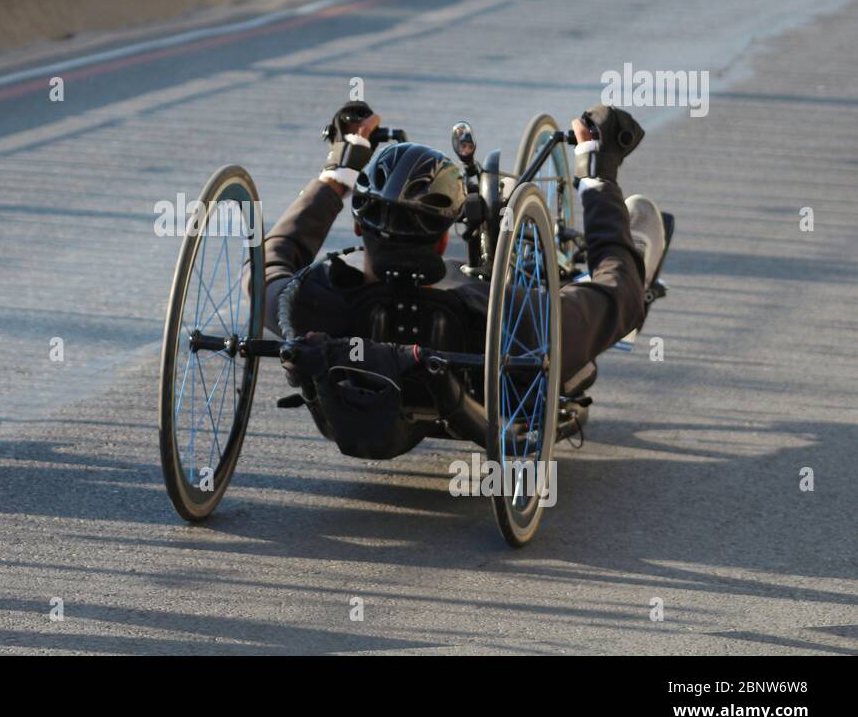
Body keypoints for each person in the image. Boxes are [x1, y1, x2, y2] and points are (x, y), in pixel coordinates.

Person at [262, 100, 665, 458]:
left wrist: (338, 170)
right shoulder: (508, 314)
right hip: (490, 400)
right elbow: (619, 293)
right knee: (609, 301)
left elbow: (270, 260)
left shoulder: (312, 302)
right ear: (443, 240)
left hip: (356, 421)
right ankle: (634, 250)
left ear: (356, 228)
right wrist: (598, 176)